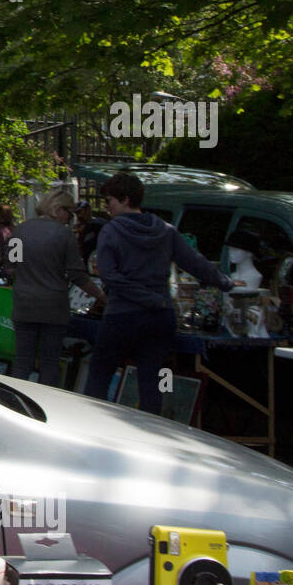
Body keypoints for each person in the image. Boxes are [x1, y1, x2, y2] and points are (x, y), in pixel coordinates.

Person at [82, 171, 233, 414]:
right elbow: (195, 263)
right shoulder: (166, 230)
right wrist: (226, 283)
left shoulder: (111, 231)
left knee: (99, 376)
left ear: (125, 200)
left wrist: (144, 297)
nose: (107, 207)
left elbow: (109, 276)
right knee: (151, 381)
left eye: (109, 201)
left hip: (123, 314)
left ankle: (92, 430)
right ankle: (153, 436)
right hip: (159, 315)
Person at [6, 189, 105, 387]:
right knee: (49, 362)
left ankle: (15, 404)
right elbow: (78, 275)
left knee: (22, 360)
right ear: (58, 209)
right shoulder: (64, 235)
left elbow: (10, 269)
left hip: (24, 303)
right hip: (53, 306)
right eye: (70, 213)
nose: (71, 219)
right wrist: (102, 296)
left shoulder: (20, 231)